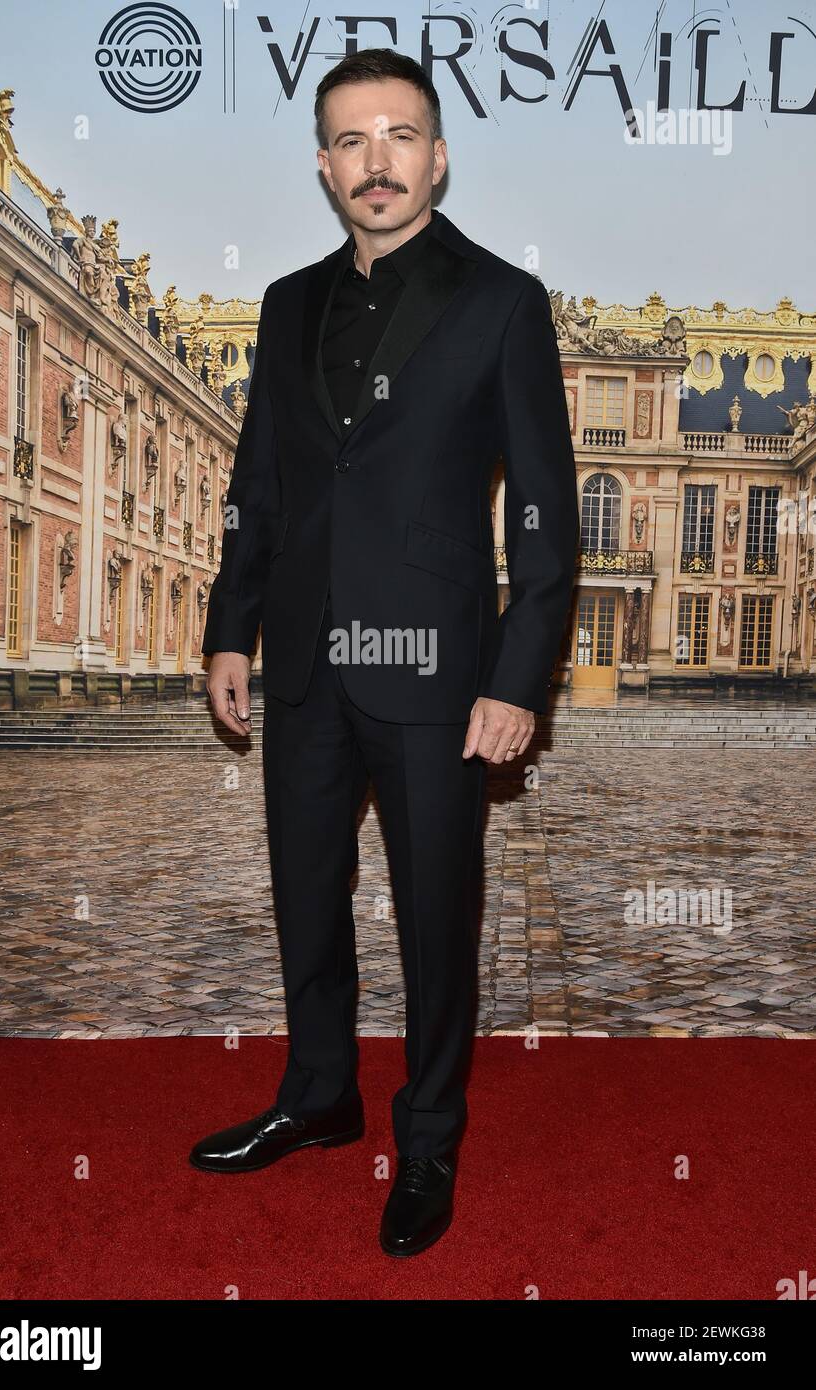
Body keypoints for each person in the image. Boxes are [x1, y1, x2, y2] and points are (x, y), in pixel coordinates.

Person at [190, 47, 578, 1258]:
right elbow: (259, 482)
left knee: (433, 917)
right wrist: (226, 625)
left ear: (437, 156)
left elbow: (543, 518)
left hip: (433, 675)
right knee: (307, 898)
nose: (376, 163)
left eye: (399, 137)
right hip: (302, 660)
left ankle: (426, 1142)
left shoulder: (502, 302)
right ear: (322, 164)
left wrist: (517, 679)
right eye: (351, 141)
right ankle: (318, 1096)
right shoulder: (286, 304)